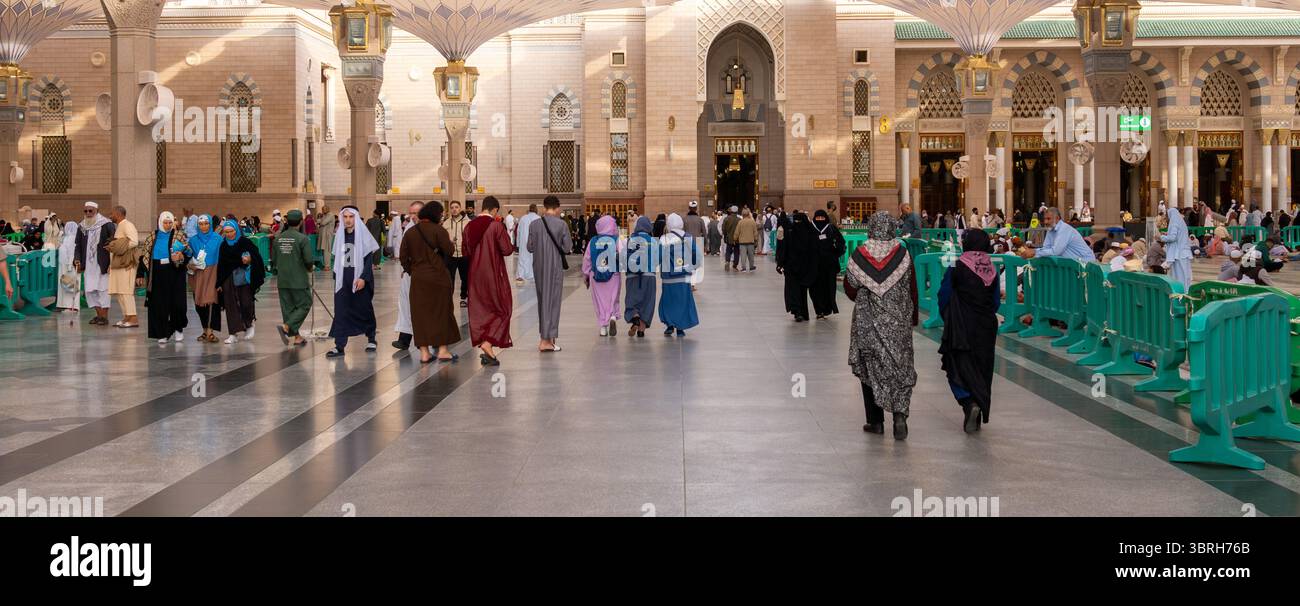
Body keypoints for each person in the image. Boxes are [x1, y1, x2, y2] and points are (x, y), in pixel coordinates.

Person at [845, 211, 919, 440]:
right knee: (899, 367)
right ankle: (899, 415)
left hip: (868, 323)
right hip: (898, 322)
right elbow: (912, 288)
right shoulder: (903, 253)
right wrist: (912, 316)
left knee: (870, 367)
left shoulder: (860, 254)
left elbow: (850, 288)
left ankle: (875, 421)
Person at [938, 229, 1000, 433]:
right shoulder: (991, 268)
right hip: (986, 327)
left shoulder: (957, 265)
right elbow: (995, 303)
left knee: (957, 366)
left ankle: (968, 403)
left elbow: (944, 294)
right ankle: (979, 407)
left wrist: (948, 316)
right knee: (982, 368)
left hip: (961, 326)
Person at [400, 202, 462, 363]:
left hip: (418, 279)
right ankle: (442, 350)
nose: (442, 216)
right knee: (442, 313)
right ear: (435, 214)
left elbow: (403, 257)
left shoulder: (410, 232)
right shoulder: (439, 230)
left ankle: (424, 353)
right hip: (438, 278)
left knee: (420, 315)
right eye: (441, 214)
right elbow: (449, 251)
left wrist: (412, 270)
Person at [464, 196, 513, 365]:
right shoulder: (495, 226)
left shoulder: (469, 226)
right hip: (493, 274)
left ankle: (488, 350)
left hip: (474, 275)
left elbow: (465, 250)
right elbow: (507, 250)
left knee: (482, 310)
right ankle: (487, 343)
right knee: (503, 308)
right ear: (494, 210)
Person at [327, 206, 380, 357]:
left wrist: (363, 278)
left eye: (351, 217)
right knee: (341, 311)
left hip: (359, 280)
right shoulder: (340, 236)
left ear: (355, 218)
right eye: (345, 217)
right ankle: (339, 345)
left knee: (364, 309)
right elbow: (336, 259)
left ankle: (371, 338)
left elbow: (368, 260)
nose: (348, 220)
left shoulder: (363, 235)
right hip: (343, 280)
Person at [527, 195, 572, 352]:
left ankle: (545, 338)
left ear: (544, 207)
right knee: (553, 302)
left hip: (538, 268)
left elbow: (529, 247)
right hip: (554, 269)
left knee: (542, 301)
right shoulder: (561, 225)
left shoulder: (534, 225)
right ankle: (547, 340)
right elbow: (567, 248)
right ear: (557, 208)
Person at [140, 211, 189, 343]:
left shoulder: (178, 235)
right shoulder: (152, 236)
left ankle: (178, 328)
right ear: (160, 223)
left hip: (174, 272)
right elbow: (145, 254)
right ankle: (161, 332)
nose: (167, 225)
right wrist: (141, 273)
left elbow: (187, 251)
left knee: (177, 303)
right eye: (165, 223)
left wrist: (180, 256)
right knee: (158, 303)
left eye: (169, 223)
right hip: (157, 272)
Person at [215, 218, 265, 343]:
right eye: (226, 232)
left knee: (246, 302)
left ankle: (249, 324)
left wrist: (249, 260)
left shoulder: (244, 242)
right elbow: (221, 264)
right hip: (228, 278)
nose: (229, 234)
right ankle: (233, 333)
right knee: (230, 305)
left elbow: (256, 256)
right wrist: (219, 282)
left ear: (236, 230)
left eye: (231, 231)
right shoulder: (224, 245)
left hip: (243, 276)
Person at [272, 210, 315, 347]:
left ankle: (297, 337)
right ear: (301, 221)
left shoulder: (278, 238)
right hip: (298, 279)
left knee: (288, 309)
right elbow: (308, 260)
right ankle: (286, 327)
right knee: (305, 304)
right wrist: (310, 268)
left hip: (283, 279)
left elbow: (274, 260)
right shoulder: (302, 239)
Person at [73, 202, 116, 324]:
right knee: (90, 291)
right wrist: (77, 259)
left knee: (103, 290)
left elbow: (113, 241)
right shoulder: (82, 226)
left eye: (90, 211)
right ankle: (98, 315)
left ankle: (104, 317)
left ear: (97, 210)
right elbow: (78, 245)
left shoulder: (106, 224)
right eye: (85, 211)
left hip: (102, 263)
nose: (88, 213)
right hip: (88, 264)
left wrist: (111, 262)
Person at [658, 213, 700, 336]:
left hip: (668, 277)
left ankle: (669, 325)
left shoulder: (664, 238)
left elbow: (659, 256)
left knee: (668, 301)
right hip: (683, 276)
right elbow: (695, 254)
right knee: (683, 301)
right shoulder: (688, 237)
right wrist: (693, 267)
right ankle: (680, 328)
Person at [391, 201, 425, 350]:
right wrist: (405, 269)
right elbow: (405, 251)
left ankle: (430, 339)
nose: (413, 216)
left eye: (416, 213)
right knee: (405, 305)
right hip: (410, 273)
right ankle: (404, 339)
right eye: (411, 213)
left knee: (425, 306)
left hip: (425, 274)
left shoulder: (430, 228)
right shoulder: (409, 228)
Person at [582, 215, 623, 336]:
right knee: (613, 298)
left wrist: (586, 275)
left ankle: (603, 327)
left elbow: (587, 259)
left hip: (596, 275)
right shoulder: (616, 240)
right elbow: (623, 256)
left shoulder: (593, 241)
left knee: (599, 300)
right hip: (613, 274)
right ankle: (613, 316)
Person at [185, 214, 223, 342]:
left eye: (206, 224)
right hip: (198, 273)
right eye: (201, 224)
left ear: (210, 224)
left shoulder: (218, 239)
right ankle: (204, 330)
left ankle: (210, 331)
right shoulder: (193, 240)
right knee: (199, 303)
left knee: (211, 301)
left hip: (213, 271)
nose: (203, 226)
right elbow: (188, 256)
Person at [776, 211, 817, 322]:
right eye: (796, 221)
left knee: (799, 291)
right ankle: (798, 311)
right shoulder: (794, 233)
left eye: (799, 221)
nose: (798, 223)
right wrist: (780, 263)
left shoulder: (805, 234)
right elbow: (785, 249)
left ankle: (799, 312)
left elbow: (813, 252)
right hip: (792, 267)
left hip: (800, 267)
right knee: (796, 290)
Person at [104, 205, 141, 328]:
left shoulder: (127, 225)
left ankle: (133, 318)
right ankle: (127, 316)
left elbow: (134, 241)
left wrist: (118, 246)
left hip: (126, 263)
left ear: (118, 214)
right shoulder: (119, 226)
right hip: (117, 264)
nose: (110, 215)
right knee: (119, 291)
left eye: (112, 213)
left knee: (126, 291)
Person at [1019, 207, 1095, 262]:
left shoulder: (1064, 229)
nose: (1045, 222)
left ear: (1057, 218)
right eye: (1044, 219)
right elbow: (1046, 248)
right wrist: (1032, 251)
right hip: (1073, 266)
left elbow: (1056, 251)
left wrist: (1034, 252)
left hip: (1086, 265)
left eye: (1048, 219)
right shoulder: (1050, 229)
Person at [624, 216, 657, 338]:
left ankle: (635, 316)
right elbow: (658, 258)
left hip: (632, 275)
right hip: (649, 276)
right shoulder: (653, 241)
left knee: (632, 300)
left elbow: (624, 256)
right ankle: (641, 330)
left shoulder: (630, 240)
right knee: (647, 302)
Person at [809, 210, 846, 319]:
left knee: (829, 287)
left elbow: (841, 242)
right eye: (818, 218)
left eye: (822, 218)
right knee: (815, 288)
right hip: (815, 265)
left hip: (829, 265)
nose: (820, 220)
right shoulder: (811, 228)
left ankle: (827, 308)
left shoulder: (831, 228)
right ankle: (818, 309)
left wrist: (835, 253)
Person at [442, 200, 470, 307]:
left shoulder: (468, 222)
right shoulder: (446, 223)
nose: (454, 209)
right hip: (451, 255)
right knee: (449, 278)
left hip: (464, 255)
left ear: (460, 208)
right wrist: (448, 242)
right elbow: (442, 238)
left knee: (465, 278)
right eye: (452, 207)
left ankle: (464, 298)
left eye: (456, 207)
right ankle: (449, 299)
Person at [1160, 206, 1192, 288]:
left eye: (1168, 215)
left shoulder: (1174, 222)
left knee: (1179, 276)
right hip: (1184, 252)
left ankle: (1180, 294)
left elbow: (1173, 237)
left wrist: (1161, 238)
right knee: (1185, 274)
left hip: (1179, 254)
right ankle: (1185, 292)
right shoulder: (1181, 222)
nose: (1167, 217)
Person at [514, 204, 540, 285]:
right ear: (536, 210)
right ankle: (534, 275)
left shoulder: (523, 218)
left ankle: (520, 276)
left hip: (523, 243)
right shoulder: (538, 218)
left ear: (529, 209)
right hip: (535, 243)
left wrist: (518, 244)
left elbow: (518, 231)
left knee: (522, 258)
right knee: (534, 259)